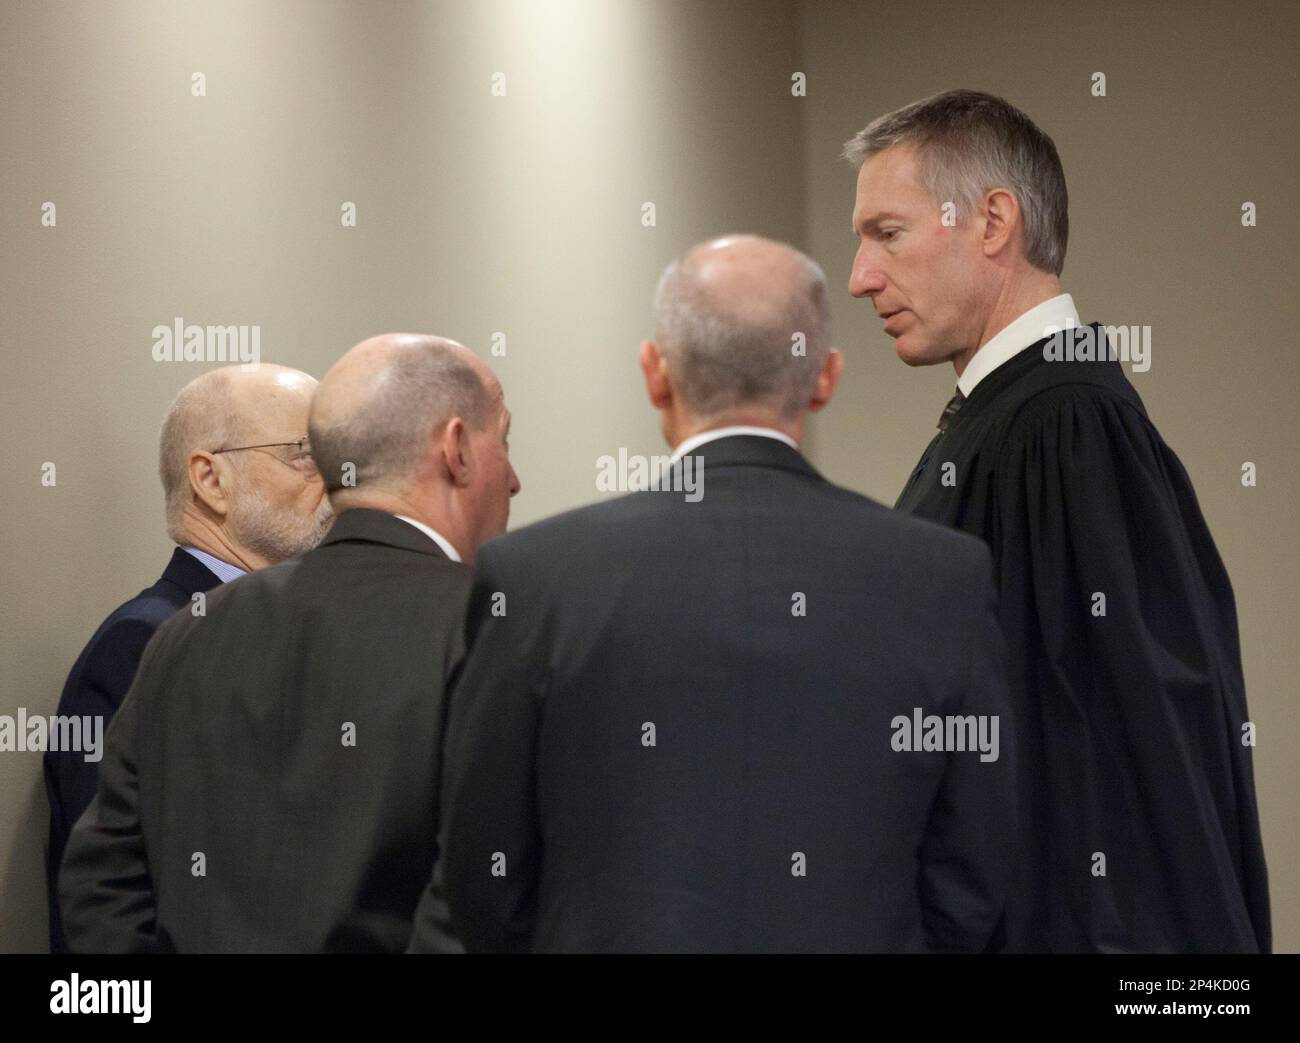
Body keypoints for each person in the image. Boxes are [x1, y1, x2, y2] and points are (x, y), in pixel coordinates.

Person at [410, 234, 1014, 953]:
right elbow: (975, 868)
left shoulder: (534, 578)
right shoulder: (944, 575)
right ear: (825, 378)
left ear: (654, 373)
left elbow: (485, 872)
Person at [844, 89, 1269, 952]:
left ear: (993, 220)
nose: (860, 276)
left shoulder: (1061, 431)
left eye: (887, 233)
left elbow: (1121, 766)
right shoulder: (1018, 421)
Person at [59, 334, 519, 952]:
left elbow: (103, 885)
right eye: (505, 441)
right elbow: (484, 885)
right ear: (457, 448)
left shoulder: (185, 632)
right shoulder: (495, 626)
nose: (514, 479)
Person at [44, 362, 329, 952]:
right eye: (305, 453)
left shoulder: (301, 633)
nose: (336, 478)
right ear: (211, 479)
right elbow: (107, 905)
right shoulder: (140, 643)